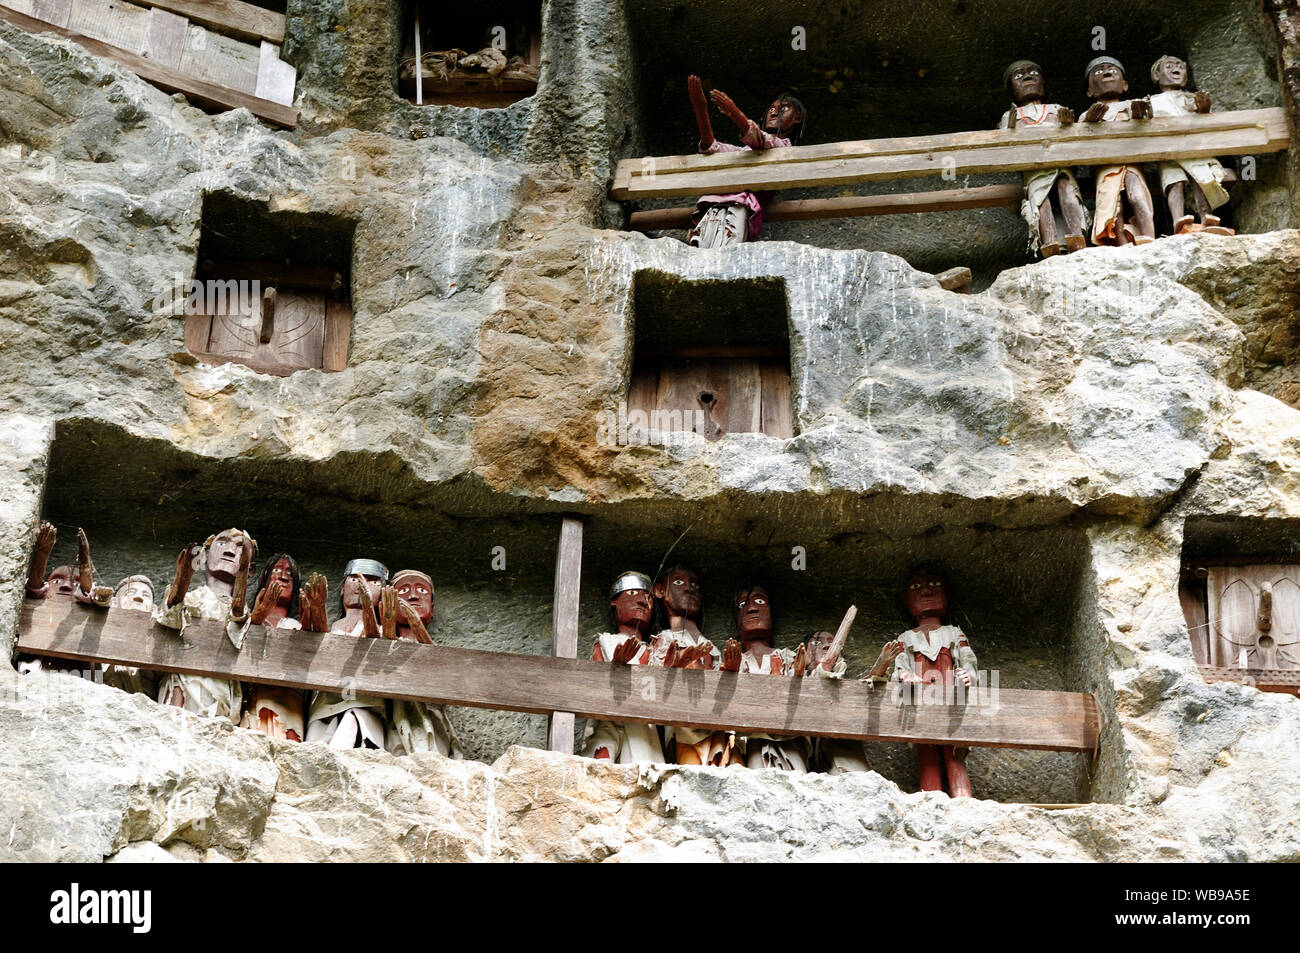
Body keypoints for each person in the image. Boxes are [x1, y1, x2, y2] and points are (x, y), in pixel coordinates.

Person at [686, 75, 805, 248]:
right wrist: (700, 108)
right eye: (772, 108)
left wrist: (732, 111)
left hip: (741, 207)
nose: (774, 112)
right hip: (713, 205)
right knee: (700, 250)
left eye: (784, 108)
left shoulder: (784, 148)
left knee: (726, 250)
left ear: (798, 118)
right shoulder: (745, 152)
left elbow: (761, 140)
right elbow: (712, 148)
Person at [890, 568, 978, 797]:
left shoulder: (953, 633)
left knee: (954, 753)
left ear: (947, 595)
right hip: (921, 703)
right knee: (926, 754)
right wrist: (903, 676)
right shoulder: (906, 638)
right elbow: (899, 665)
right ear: (905, 599)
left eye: (936, 585)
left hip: (952, 704)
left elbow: (968, 660)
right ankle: (931, 801)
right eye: (916, 587)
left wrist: (969, 675)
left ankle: (964, 802)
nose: (927, 591)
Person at [154, 528, 255, 723]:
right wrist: (181, 582)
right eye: (222, 543)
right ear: (204, 556)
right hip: (180, 691)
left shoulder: (245, 613)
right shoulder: (191, 599)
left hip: (220, 695)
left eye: (240, 547)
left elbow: (238, 631)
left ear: (250, 569)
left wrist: (240, 585)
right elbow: (169, 620)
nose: (229, 550)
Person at [650, 565, 739, 766]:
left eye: (695, 585)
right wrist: (678, 664)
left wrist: (730, 672)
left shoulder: (713, 649)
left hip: (716, 725)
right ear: (659, 591)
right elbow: (655, 686)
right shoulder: (665, 639)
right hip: (684, 729)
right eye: (679, 582)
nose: (689, 588)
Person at [998, 60, 1088, 256]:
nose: (1028, 77)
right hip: (1034, 168)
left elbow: (1074, 140)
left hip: (1060, 163)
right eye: (1019, 76)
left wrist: (1066, 125)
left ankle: (1076, 235)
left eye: (1033, 73)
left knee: (1067, 190)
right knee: (1040, 198)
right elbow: (1006, 147)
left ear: (1044, 85)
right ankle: (1049, 241)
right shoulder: (1010, 116)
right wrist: (1012, 129)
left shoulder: (1056, 108)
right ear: (1012, 91)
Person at [305, 559, 390, 749]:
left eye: (373, 581)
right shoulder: (327, 629)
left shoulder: (385, 632)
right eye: (353, 579)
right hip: (323, 710)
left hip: (363, 707)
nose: (362, 584)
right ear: (342, 588)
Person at [582, 571, 665, 764]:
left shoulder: (654, 650)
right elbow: (594, 688)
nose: (642, 601)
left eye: (648, 597)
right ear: (614, 601)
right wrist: (615, 669)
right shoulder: (606, 642)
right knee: (600, 763)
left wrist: (671, 667)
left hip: (643, 727)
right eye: (632, 592)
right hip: (608, 721)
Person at [1147, 55, 1236, 235]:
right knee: (1174, 180)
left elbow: (1209, 124)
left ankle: (1206, 217)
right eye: (1169, 66)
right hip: (1168, 151)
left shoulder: (1191, 98)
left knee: (1202, 178)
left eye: (1181, 66)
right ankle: (1178, 220)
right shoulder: (1152, 101)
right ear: (1157, 75)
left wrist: (1203, 110)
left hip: (1195, 149)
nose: (1176, 68)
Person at [724, 582, 807, 771]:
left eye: (760, 601)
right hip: (750, 745)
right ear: (736, 620)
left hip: (789, 742)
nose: (752, 608)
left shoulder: (789, 657)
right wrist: (729, 673)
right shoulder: (736, 660)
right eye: (742, 605)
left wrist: (787, 677)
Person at [384, 569, 463, 758]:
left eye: (422, 591)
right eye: (403, 591)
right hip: (394, 721)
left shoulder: (438, 652)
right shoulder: (384, 644)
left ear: (432, 609)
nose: (412, 596)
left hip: (432, 719)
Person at [1081, 57, 1157, 246]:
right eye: (1098, 72)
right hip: (1106, 167)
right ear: (1089, 91)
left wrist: (1139, 116)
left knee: (1137, 196)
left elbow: (1148, 132)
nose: (1106, 72)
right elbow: (1081, 144)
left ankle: (1149, 236)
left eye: (1113, 70)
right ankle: (1121, 241)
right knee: (1113, 204)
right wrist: (1089, 123)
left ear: (1125, 85)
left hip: (1132, 164)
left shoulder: (1132, 106)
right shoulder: (1086, 114)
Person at [241, 553, 306, 742]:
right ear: (263, 578)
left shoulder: (297, 625)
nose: (283, 577)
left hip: (289, 704)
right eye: (277, 570)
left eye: (290, 574)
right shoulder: (246, 618)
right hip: (253, 700)